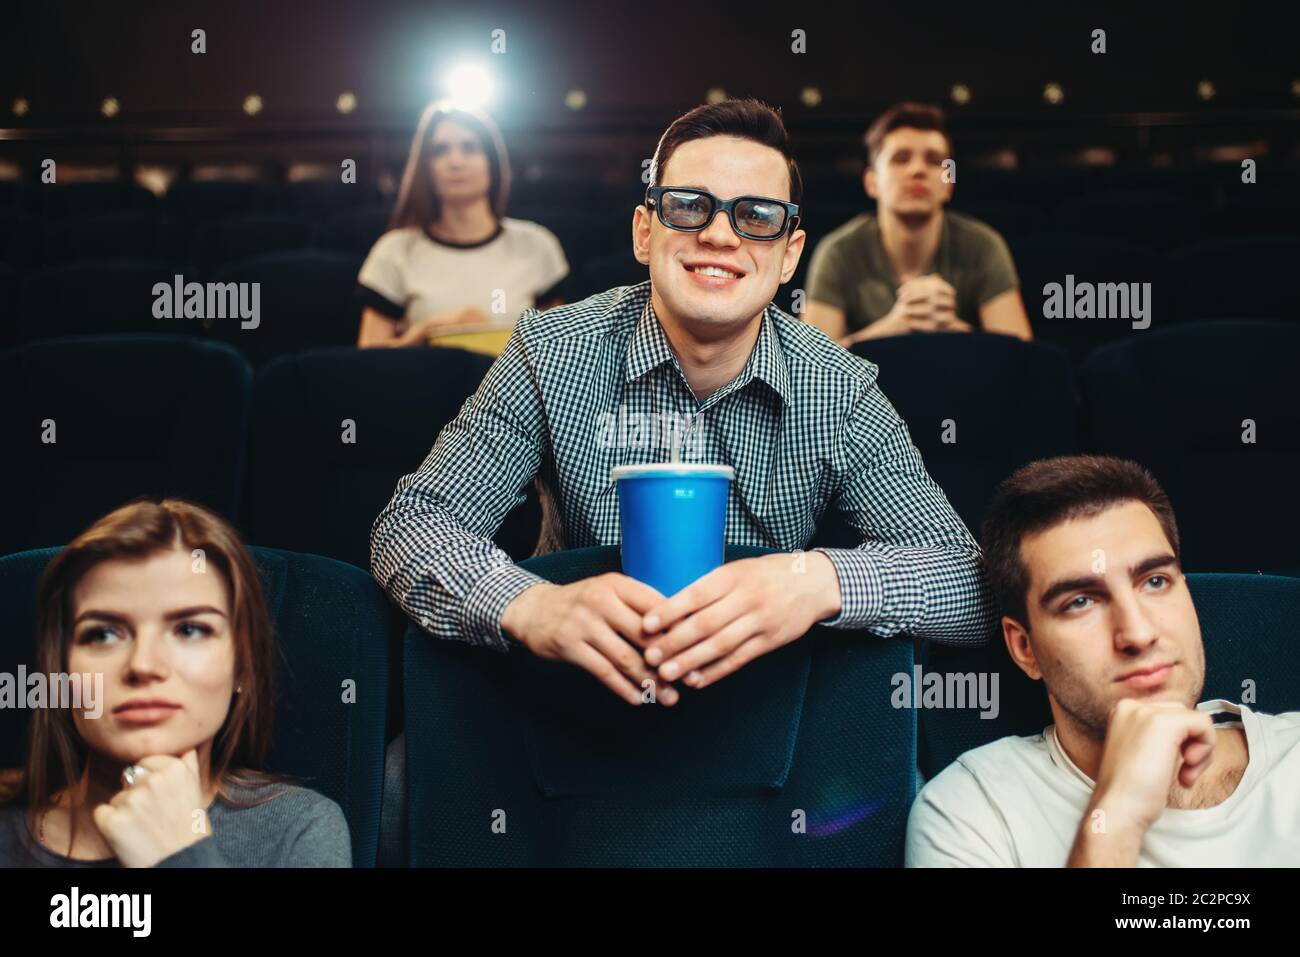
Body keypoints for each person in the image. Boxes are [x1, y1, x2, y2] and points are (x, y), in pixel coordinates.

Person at [371, 98, 997, 710]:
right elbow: (410, 524)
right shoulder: (551, 352)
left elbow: (971, 584)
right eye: (689, 206)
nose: (720, 234)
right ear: (645, 232)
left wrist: (815, 581)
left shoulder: (840, 388)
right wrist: (529, 603)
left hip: (762, 715)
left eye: (756, 215)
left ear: (789, 256)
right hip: (575, 704)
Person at [905, 455, 1300, 866]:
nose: (1138, 633)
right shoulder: (972, 812)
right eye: (1080, 602)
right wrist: (1115, 818)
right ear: (1025, 648)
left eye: (1155, 581)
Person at [0, 499, 352, 867]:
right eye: (103, 634)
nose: (143, 665)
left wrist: (179, 855)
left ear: (243, 668)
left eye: (190, 629)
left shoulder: (298, 830)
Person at [803, 102, 1032, 345]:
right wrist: (893, 327)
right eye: (901, 159)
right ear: (872, 181)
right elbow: (809, 367)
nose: (917, 169)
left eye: (933, 160)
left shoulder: (984, 245)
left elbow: (1023, 363)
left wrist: (950, 328)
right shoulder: (838, 252)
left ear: (948, 184)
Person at [355, 101, 569, 349]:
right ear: (426, 167)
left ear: (492, 162)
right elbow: (368, 359)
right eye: (440, 151)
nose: (455, 161)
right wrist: (421, 335)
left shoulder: (537, 244)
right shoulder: (394, 250)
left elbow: (558, 353)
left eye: (470, 148)